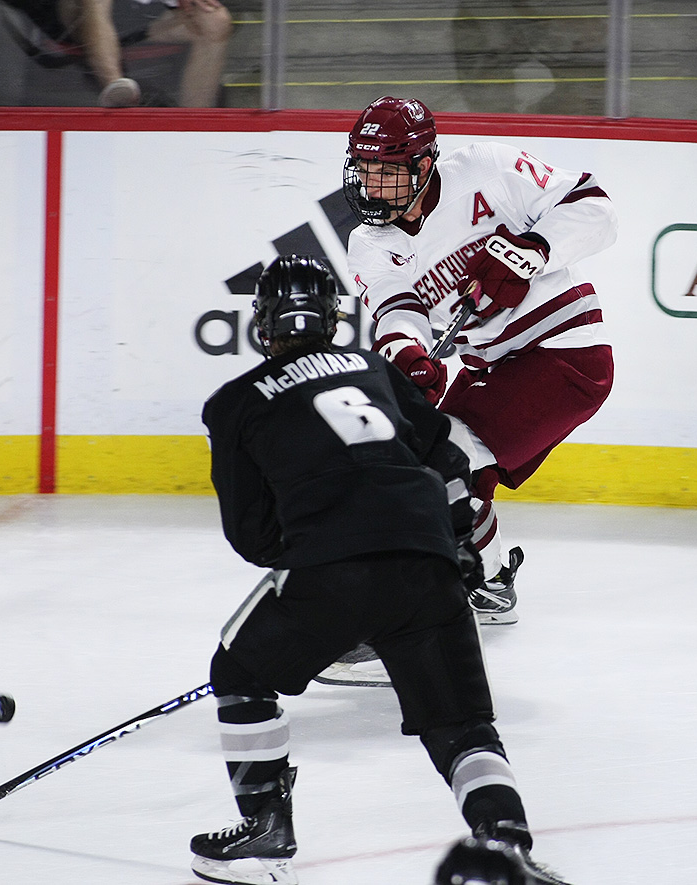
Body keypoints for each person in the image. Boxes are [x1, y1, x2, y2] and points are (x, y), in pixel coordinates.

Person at [192, 255, 569, 885]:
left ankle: (265, 836)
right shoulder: (373, 369)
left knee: (238, 669)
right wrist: (457, 542)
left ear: (262, 323)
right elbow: (448, 455)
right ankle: (508, 850)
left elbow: (253, 538)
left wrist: (329, 577)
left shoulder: (234, 403)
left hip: (331, 570)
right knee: (462, 727)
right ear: (334, 318)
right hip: (428, 562)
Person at [342, 95, 617, 627]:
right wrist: (409, 355)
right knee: (437, 467)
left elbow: (597, 209)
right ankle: (486, 586)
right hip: (492, 365)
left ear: (424, 164)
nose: (372, 187)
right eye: (364, 171)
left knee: (449, 453)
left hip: (565, 354)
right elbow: (397, 309)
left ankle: (442, 597)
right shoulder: (369, 242)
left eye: (386, 173)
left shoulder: (485, 168)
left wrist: (528, 250)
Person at [0, 0, 231, 107]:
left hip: (141, 23)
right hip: (67, 21)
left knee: (215, 21)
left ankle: (196, 123)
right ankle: (116, 88)